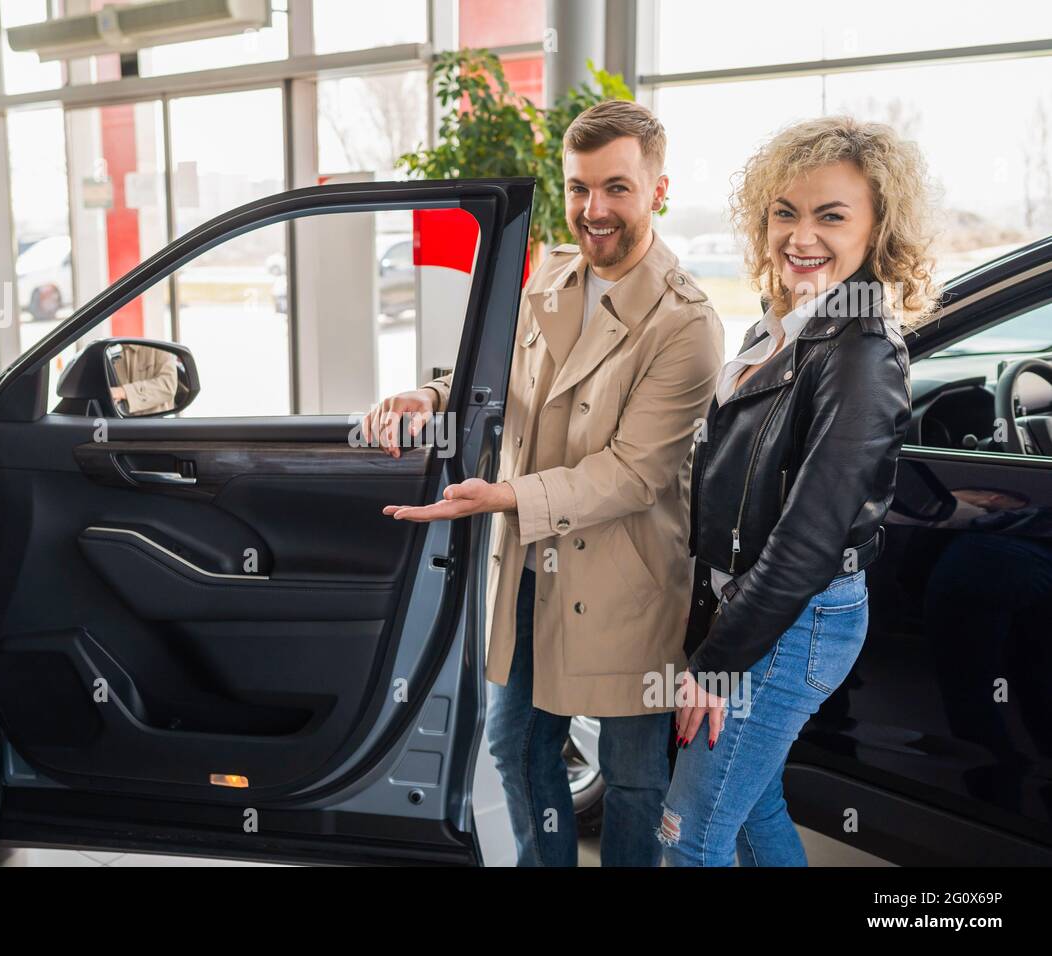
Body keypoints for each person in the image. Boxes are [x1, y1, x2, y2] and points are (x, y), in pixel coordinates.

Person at [362, 99, 724, 866]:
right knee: (514, 746)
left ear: (659, 190)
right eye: (579, 187)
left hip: (628, 581)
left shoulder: (687, 322)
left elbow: (634, 473)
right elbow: (487, 378)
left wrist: (505, 498)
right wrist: (429, 396)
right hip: (531, 565)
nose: (594, 211)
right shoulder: (551, 275)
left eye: (617, 189)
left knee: (632, 776)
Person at [665, 116, 939, 866]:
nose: (801, 235)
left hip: (794, 621)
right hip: (756, 610)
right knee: (753, 813)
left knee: (687, 838)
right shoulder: (785, 323)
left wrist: (718, 661)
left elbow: (811, 535)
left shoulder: (862, 350)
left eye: (831, 215)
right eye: (785, 212)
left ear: (878, 226)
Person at [110, 343, 177, 416]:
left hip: (156, 423)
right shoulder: (110, 354)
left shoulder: (159, 349)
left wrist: (123, 392)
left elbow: (168, 386)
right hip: (121, 422)